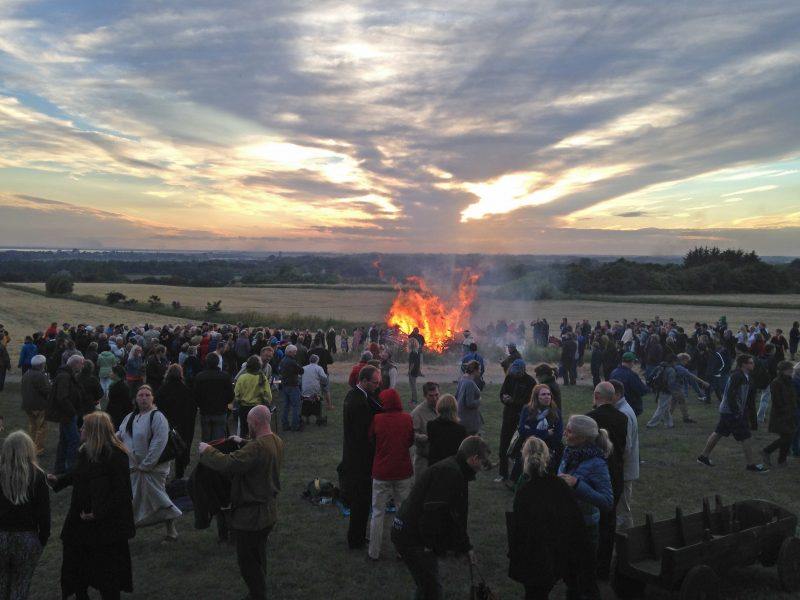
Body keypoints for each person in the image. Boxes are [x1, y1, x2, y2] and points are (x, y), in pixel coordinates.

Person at [199, 405, 283, 600]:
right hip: (268, 512)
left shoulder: (256, 448)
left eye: (248, 423)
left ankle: (257, 594)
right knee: (258, 554)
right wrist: (242, 441)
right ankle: (259, 589)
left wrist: (208, 451)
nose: (247, 425)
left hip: (251, 517)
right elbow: (257, 452)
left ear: (254, 423)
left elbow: (229, 464)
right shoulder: (276, 441)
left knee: (247, 561)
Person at [50, 412, 135, 600]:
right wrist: (58, 480)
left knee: (108, 575)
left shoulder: (116, 456)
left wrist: (98, 513)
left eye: (84, 426)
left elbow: (123, 493)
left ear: (95, 431)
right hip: (81, 523)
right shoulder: (85, 451)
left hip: (107, 528)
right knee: (78, 570)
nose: (80, 429)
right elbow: (78, 475)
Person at [391, 436, 488, 600]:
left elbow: (453, 515)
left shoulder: (456, 470)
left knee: (426, 586)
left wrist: (466, 547)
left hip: (411, 533)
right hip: (412, 537)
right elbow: (433, 512)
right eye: (482, 462)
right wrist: (430, 545)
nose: (482, 467)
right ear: (474, 458)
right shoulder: (450, 473)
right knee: (433, 590)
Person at [508, 437, 587, 600]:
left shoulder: (524, 491)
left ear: (524, 457)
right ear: (547, 457)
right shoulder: (560, 485)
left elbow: (519, 529)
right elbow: (576, 520)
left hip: (537, 556)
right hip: (562, 549)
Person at [558, 415, 614, 599]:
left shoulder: (597, 463)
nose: (565, 432)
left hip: (586, 530)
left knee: (586, 581)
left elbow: (607, 501)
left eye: (570, 430)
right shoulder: (569, 452)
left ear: (582, 437)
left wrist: (577, 484)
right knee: (570, 578)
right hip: (567, 525)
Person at [118, 385, 182, 539]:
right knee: (134, 499)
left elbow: (158, 443)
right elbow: (120, 435)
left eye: (147, 395)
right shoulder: (130, 417)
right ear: (135, 399)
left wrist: (146, 465)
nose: (144, 398)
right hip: (134, 469)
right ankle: (129, 527)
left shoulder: (157, 417)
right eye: (140, 395)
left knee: (160, 499)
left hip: (153, 469)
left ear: (153, 398)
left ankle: (171, 531)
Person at [0, 431, 50, 600]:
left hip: (1, 536)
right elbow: (44, 514)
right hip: (27, 537)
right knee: (20, 585)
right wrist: (42, 539)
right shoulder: (38, 475)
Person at [697, 354, 769, 472]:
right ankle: (750, 465)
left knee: (718, 433)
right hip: (731, 412)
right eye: (751, 363)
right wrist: (736, 412)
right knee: (745, 437)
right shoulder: (737, 376)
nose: (753, 364)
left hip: (729, 411)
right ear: (743, 364)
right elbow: (731, 395)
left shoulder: (746, 376)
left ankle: (703, 457)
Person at [586, 382, 628, 580]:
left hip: (596, 475)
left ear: (596, 395)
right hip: (616, 474)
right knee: (609, 522)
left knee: (592, 520)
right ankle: (603, 568)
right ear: (613, 397)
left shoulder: (590, 418)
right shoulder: (622, 418)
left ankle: (589, 564)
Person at [367, 388, 414, 560]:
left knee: (378, 512)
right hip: (402, 471)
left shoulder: (377, 419)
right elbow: (410, 441)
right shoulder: (407, 418)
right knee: (402, 512)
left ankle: (373, 552)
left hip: (381, 471)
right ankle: (402, 550)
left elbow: (371, 440)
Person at [341, 365, 383, 550]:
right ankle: (356, 539)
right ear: (364, 381)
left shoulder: (358, 396)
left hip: (356, 457)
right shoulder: (358, 402)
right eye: (375, 383)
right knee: (361, 500)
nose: (377, 386)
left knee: (362, 500)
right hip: (359, 460)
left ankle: (357, 535)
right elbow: (363, 434)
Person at [497, 358, 536, 483]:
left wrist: (514, 401)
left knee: (521, 446)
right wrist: (504, 398)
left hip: (523, 418)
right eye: (513, 372)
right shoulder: (509, 378)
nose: (515, 374)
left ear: (523, 370)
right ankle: (503, 474)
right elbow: (502, 392)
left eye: (517, 372)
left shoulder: (530, 382)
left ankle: (522, 473)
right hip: (508, 416)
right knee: (504, 444)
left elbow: (530, 402)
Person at [155, 364, 197, 479]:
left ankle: (164, 475)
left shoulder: (162, 389)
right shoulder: (186, 390)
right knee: (181, 450)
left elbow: (157, 406)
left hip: (167, 424)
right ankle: (179, 474)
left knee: (164, 449)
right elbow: (192, 410)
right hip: (182, 425)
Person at [513, 384, 563, 481]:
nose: (547, 397)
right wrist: (545, 433)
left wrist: (532, 430)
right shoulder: (527, 410)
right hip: (530, 445)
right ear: (536, 397)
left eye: (549, 394)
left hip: (550, 446)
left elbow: (558, 434)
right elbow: (522, 430)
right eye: (543, 394)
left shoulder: (555, 411)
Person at [609, 379, 640, 531]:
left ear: (618, 394)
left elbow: (625, 446)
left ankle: (628, 540)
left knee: (623, 509)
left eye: (609, 394)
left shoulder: (623, 413)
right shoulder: (623, 409)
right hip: (624, 468)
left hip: (624, 469)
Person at [48, 354, 85, 475]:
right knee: (74, 440)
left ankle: (60, 467)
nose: (82, 365)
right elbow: (62, 397)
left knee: (64, 441)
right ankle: (71, 469)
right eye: (81, 363)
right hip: (67, 414)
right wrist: (73, 411)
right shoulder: (65, 376)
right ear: (75, 364)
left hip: (67, 414)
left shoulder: (67, 375)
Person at [761, 360, 798, 467]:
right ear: (782, 371)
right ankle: (767, 451)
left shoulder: (790, 381)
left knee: (788, 437)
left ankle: (782, 460)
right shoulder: (776, 382)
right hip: (781, 415)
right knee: (787, 437)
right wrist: (786, 410)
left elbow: (793, 397)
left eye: (791, 369)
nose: (791, 371)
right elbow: (777, 401)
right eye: (788, 369)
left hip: (790, 413)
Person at [194, 353, 234, 442]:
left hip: (206, 412)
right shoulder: (225, 376)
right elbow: (230, 395)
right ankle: (216, 455)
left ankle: (206, 455)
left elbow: (196, 395)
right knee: (219, 441)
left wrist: (201, 405)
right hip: (220, 411)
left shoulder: (200, 377)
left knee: (206, 439)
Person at [21, 354, 51, 456]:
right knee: (41, 428)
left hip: (27, 405)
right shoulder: (40, 375)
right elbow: (46, 391)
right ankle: (38, 449)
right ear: (42, 365)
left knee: (33, 426)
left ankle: (31, 447)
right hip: (39, 405)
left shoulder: (26, 373)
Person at [426, 394, 467, 466]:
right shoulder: (461, 429)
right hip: (452, 467)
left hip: (435, 466)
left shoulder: (431, 425)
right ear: (455, 409)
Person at [411, 382, 440, 480]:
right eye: (431, 396)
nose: (435, 398)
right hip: (424, 460)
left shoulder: (442, 409)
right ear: (424, 396)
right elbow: (411, 435)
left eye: (437, 395)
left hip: (440, 458)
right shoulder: (417, 413)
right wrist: (421, 437)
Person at [236, 356, 272, 436]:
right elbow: (268, 395)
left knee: (244, 431)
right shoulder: (262, 378)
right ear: (259, 366)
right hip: (258, 408)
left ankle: (244, 447)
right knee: (259, 431)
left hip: (244, 408)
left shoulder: (241, 378)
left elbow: (237, 395)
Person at [278, 345, 304, 432]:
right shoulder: (292, 361)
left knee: (286, 406)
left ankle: (285, 424)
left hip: (285, 385)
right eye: (294, 352)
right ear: (289, 352)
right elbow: (301, 371)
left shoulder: (283, 360)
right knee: (296, 406)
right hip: (293, 385)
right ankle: (295, 425)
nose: (295, 353)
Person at [455, 360, 482, 435]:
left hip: (461, 416)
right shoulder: (470, 383)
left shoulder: (462, 379)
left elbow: (456, 396)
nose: (480, 371)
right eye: (479, 369)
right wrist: (479, 401)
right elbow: (469, 403)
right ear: (474, 370)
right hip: (468, 420)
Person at [299, 354, 328, 425]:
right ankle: (318, 418)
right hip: (315, 390)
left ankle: (306, 419)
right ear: (317, 361)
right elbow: (324, 378)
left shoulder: (304, 368)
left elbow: (299, 378)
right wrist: (323, 383)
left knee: (306, 404)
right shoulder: (318, 368)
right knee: (317, 403)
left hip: (305, 390)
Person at [105, 365, 133, 431]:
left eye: (111, 372)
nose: (110, 373)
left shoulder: (118, 387)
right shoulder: (118, 385)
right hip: (118, 413)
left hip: (118, 414)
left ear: (116, 374)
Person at [408, 338, 422, 405]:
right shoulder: (417, 352)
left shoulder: (412, 353)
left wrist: (409, 371)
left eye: (409, 343)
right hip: (415, 371)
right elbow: (418, 363)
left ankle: (414, 400)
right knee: (413, 386)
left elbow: (412, 364)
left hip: (412, 371)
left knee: (413, 386)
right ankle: (413, 399)